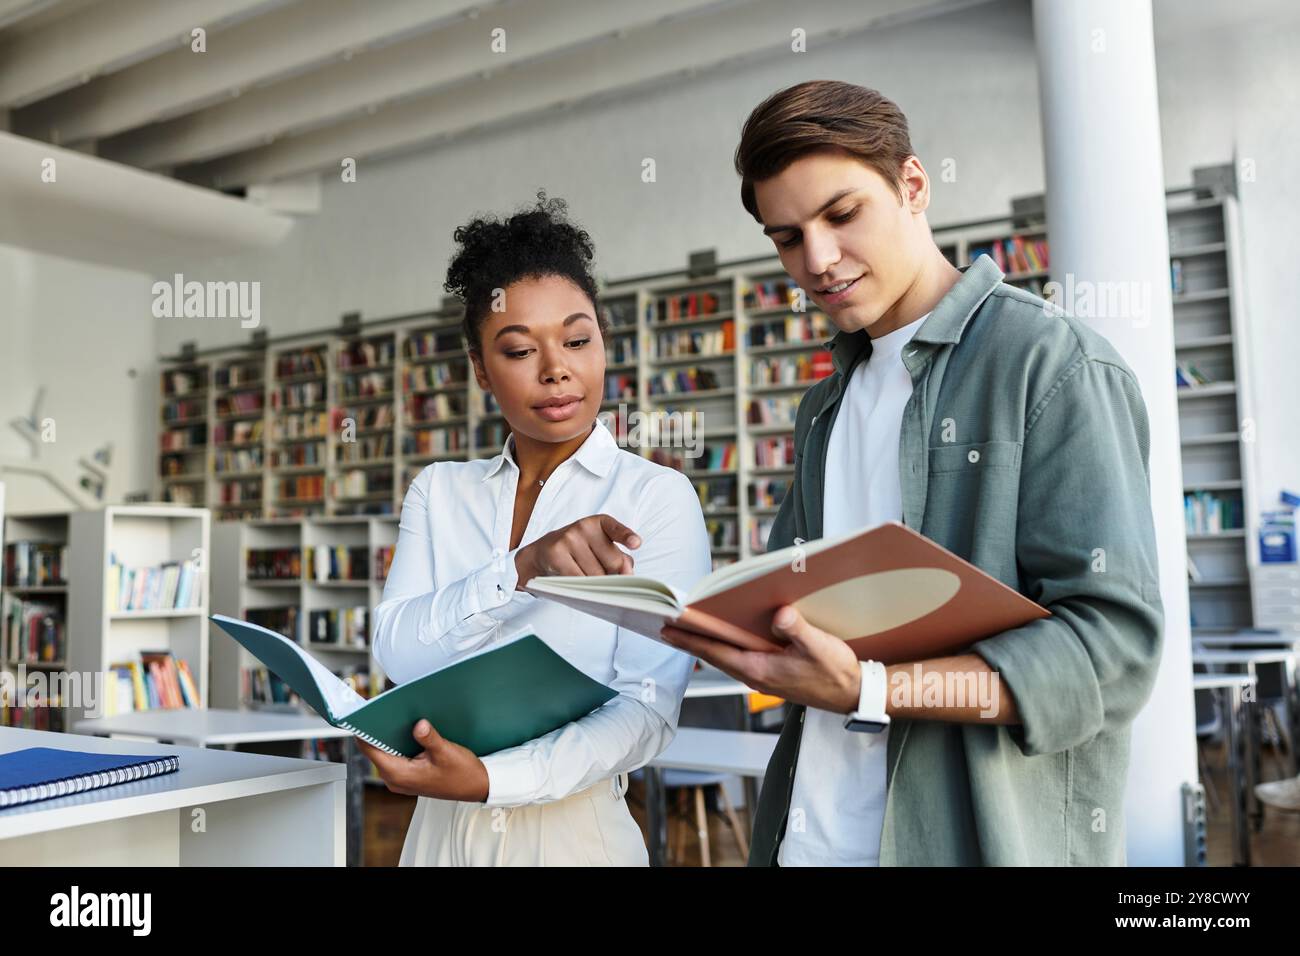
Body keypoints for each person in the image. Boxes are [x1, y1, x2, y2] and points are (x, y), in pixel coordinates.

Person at [660, 80, 1165, 866]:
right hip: (806, 841)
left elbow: (1113, 656)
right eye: (787, 237)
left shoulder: (1052, 367)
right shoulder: (823, 406)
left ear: (914, 186)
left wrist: (873, 691)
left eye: (842, 214)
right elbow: (795, 611)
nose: (817, 262)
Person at [360, 191, 711, 866]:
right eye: (520, 350)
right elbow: (399, 654)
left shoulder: (655, 498)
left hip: (573, 838)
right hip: (434, 838)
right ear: (480, 368)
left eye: (578, 340)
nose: (557, 369)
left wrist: (494, 780)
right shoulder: (439, 490)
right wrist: (520, 571)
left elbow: (647, 710)